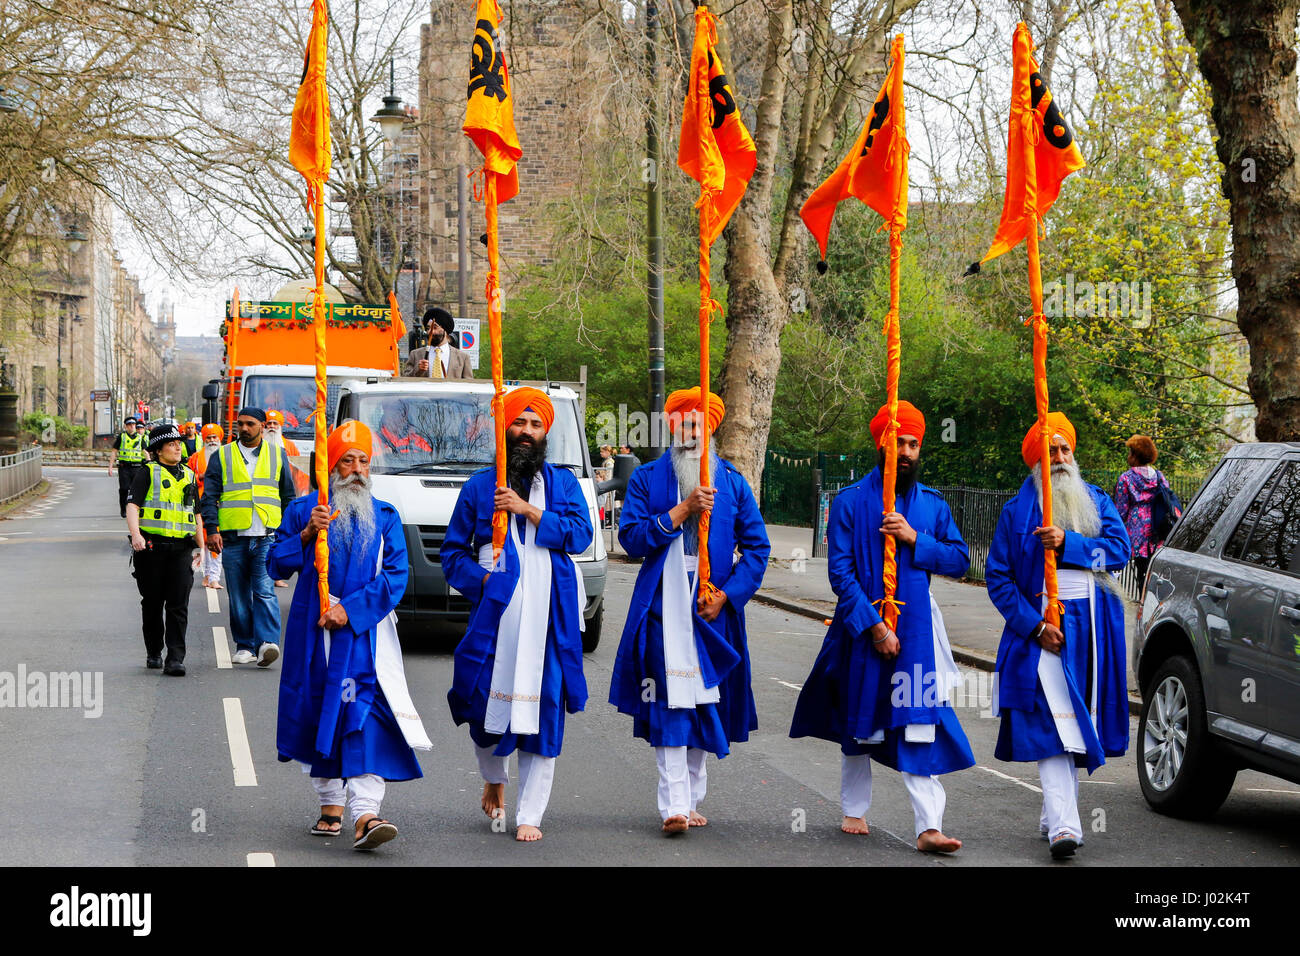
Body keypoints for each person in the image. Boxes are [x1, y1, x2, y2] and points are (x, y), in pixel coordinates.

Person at [790, 401, 972, 853]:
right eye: (898, 442)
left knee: (918, 722)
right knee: (860, 718)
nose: (906, 451)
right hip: (861, 629)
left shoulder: (932, 506)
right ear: (881, 443)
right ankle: (854, 809)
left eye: (913, 443)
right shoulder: (849, 502)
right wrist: (874, 627)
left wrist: (915, 539)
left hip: (917, 637)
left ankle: (929, 827)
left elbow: (961, 561)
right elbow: (840, 574)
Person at [609, 387, 770, 834]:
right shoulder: (645, 478)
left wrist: (728, 595)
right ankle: (673, 805)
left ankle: (692, 797)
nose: (689, 431)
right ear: (671, 426)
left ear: (711, 429)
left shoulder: (733, 483)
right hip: (662, 601)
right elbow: (633, 539)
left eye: (697, 424)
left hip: (712, 607)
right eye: (682, 423)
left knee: (704, 700)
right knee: (667, 701)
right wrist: (683, 509)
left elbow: (757, 548)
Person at [270, 420, 432, 850]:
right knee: (321, 708)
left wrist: (349, 609)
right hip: (315, 632)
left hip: (365, 633)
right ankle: (330, 804)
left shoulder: (386, 516)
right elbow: (276, 565)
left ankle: (365, 813)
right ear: (331, 467)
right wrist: (306, 534)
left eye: (363, 460)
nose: (357, 468)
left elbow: (396, 577)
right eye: (348, 460)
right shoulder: (305, 510)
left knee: (365, 713)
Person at [441, 387, 592, 843]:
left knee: (545, 707)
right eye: (518, 423)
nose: (526, 432)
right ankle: (493, 775)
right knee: (480, 701)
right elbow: (453, 554)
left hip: (550, 615)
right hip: (496, 613)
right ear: (503, 428)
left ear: (546, 431)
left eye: (535, 425)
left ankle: (530, 812)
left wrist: (527, 511)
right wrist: (483, 583)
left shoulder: (563, 483)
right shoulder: (478, 486)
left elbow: (581, 535)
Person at [986, 412, 1132, 860]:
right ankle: (1065, 828)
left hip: (1092, 634)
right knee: (1052, 724)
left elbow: (1120, 551)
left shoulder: (1097, 500)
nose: (1061, 457)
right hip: (1041, 632)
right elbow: (999, 578)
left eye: (1065, 449)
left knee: (1074, 724)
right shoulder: (1014, 512)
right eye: (1051, 451)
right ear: (1036, 461)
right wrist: (1035, 625)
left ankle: (1054, 815)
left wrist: (1067, 542)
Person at [199, 406, 297, 667]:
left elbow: (288, 497)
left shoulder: (278, 455)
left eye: (250, 424)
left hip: (267, 536)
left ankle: (267, 642)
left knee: (264, 591)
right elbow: (209, 497)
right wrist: (212, 530)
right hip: (233, 537)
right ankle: (245, 645)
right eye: (240, 424)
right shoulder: (222, 456)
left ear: (262, 427)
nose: (243, 428)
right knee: (239, 595)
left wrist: (287, 534)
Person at [126, 424, 201, 676]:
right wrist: (136, 535)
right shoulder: (147, 472)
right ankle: (154, 651)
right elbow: (133, 506)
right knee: (153, 602)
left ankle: (175, 658)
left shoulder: (190, 475)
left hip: (181, 549)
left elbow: (196, 513)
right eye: (172, 444)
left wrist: (201, 546)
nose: (178, 447)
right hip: (151, 549)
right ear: (159, 450)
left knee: (179, 605)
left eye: (179, 443)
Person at [1114, 434, 1173, 585]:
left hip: (1137, 530)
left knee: (1141, 574)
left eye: (1130, 452)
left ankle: (1142, 602)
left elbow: (1121, 511)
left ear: (1135, 455)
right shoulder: (1159, 476)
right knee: (1154, 574)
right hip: (1157, 528)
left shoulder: (1126, 478)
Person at [188, 424, 225, 589]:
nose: (211, 441)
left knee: (217, 539)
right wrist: (199, 476)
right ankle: (208, 575)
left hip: (222, 505)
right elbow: (186, 478)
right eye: (208, 438)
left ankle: (214, 577)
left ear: (219, 439)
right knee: (203, 541)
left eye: (214, 437)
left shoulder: (227, 456)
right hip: (201, 505)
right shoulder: (195, 458)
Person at [404, 307, 473, 379]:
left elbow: (469, 385)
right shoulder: (415, 354)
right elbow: (404, 381)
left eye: (435, 327)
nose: (430, 332)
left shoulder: (462, 357)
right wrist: (418, 371)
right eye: (428, 328)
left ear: (445, 330)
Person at [109, 417, 147, 518]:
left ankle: (136, 509)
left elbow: (145, 451)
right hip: (124, 467)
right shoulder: (122, 437)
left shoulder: (140, 438)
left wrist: (149, 463)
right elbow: (114, 452)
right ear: (126, 426)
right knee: (124, 489)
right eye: (129, 425)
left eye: (133, 425)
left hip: (137, 467)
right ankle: (123, 509)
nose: (132, 427)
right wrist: (110, 467)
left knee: (137, 489)